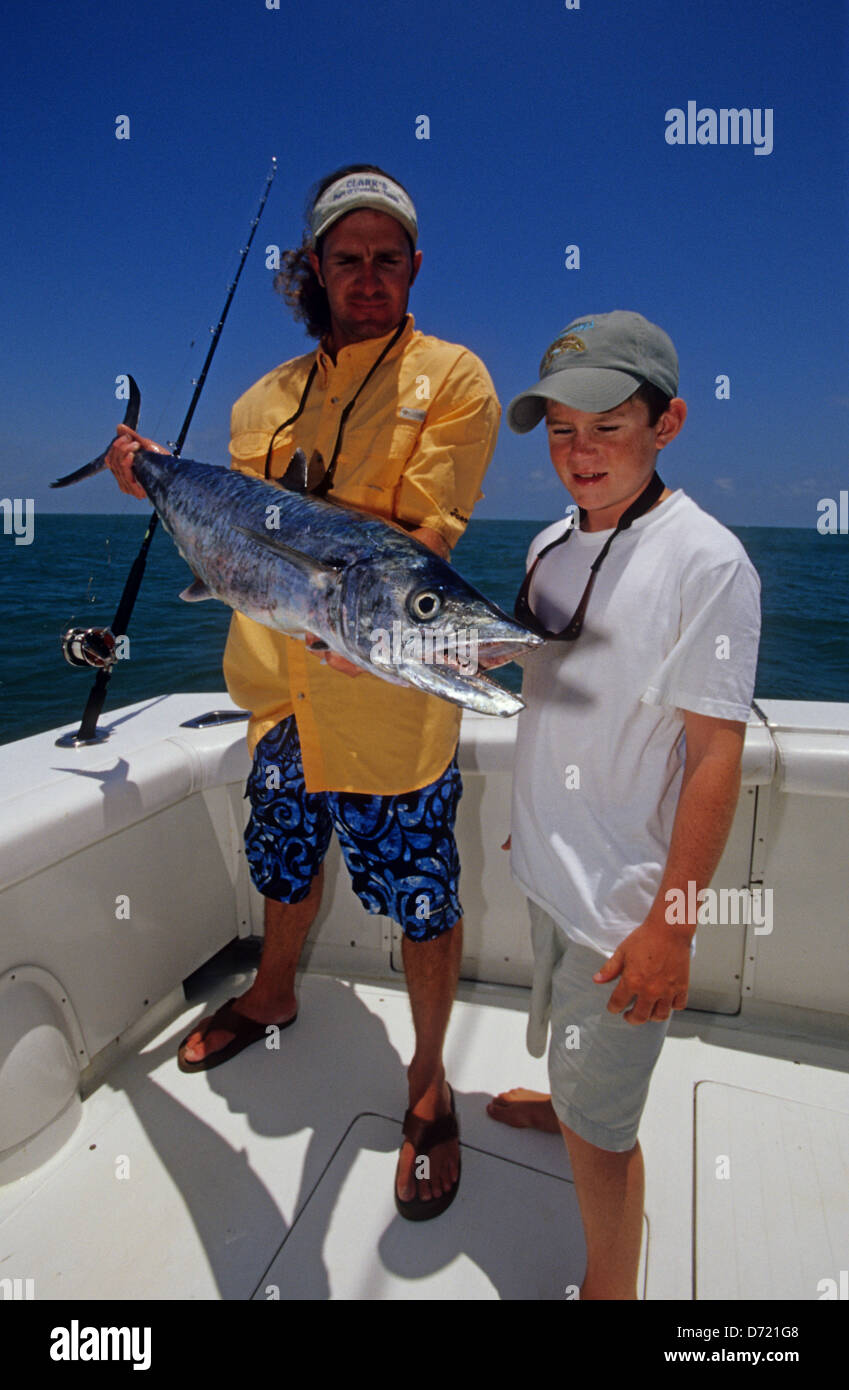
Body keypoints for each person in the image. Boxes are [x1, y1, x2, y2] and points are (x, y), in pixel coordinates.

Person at [106, 164, 500, 1220]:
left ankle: (427, 1078)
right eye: (346, 258)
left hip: (388, 708)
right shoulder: (258, 401)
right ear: (313, 270)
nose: (367, 277)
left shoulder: (454, 379)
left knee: (423, 898)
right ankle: (274, 990)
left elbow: (423, 543)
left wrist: (352, 615)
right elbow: (227, 532)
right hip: (279, 691)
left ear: (414, 267)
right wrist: (148, 471)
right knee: (280, 857)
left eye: (387, 259)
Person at [487, 311, 760, 1296]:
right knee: (560, 1030)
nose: (580, 450)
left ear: (669, 422)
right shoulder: (549, 541)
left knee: (604, 1137)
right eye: (561, 427)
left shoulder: (709, 561)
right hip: (550, 867)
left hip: (627, 911)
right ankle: (558, 1095)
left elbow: (715, 754)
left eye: (607, 422)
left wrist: (674, 927)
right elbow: (531, 671)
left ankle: (613, 1286)